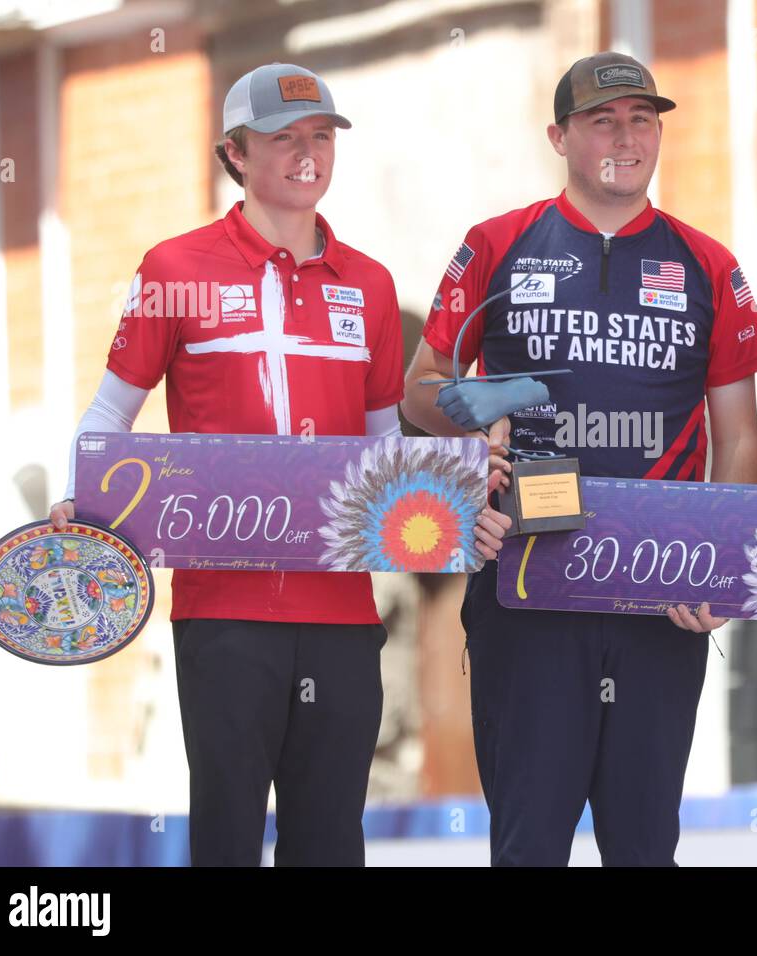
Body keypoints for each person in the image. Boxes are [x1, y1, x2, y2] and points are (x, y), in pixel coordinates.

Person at [49, 63, 509, 865]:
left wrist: (461, 495)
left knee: (330, 839)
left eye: (321, 136)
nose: (308, 153)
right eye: (284, 138)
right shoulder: (173, 270)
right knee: (226, 835)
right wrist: (73, 497)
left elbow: (383, 455)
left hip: (342, 611)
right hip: (222, 610)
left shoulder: (369, 286)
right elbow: (109, 414)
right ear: (235, 152)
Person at [401, 52, 757, 866]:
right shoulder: (496, 244)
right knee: (530, 842)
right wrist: (474, 433)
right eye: (603, 119)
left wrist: (721, 564)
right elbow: (418, 391)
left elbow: (741, 435)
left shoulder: (709, 263)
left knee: (643, 846)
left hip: (660, 593)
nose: (626, 135)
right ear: (560, 135)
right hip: (526, 581)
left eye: (643, 118)